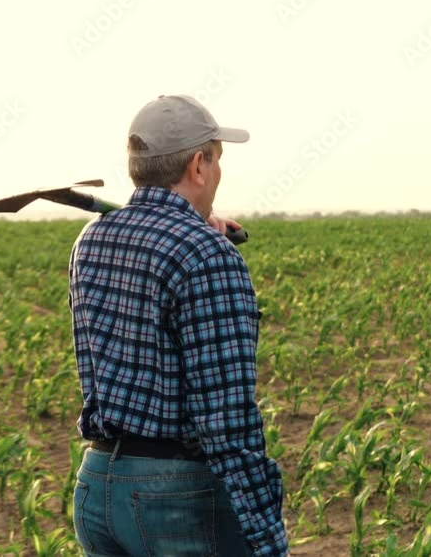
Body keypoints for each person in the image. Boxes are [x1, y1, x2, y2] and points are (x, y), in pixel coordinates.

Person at [68, 94, 289, 556]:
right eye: (217, 159)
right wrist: (267, 537)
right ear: (197, 166)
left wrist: (200, 234)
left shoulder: (91, 240)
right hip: (173, 500)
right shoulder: (207, 254)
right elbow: (227, 423)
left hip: (97, 486)